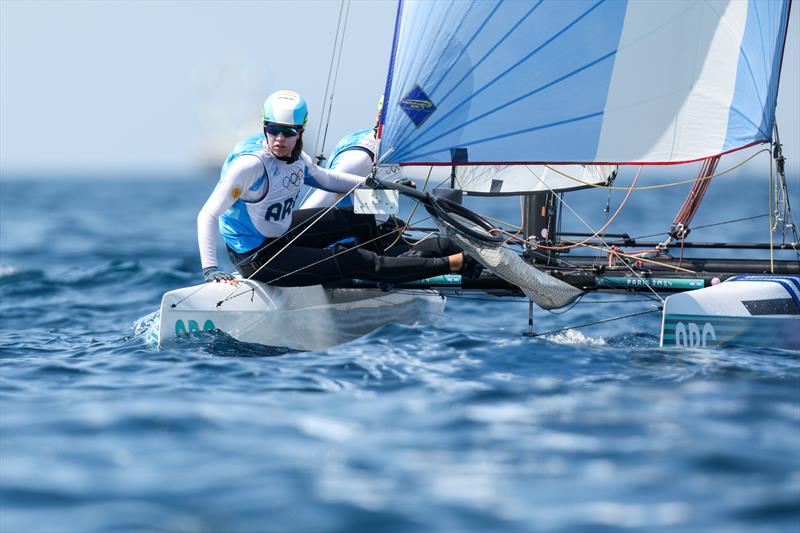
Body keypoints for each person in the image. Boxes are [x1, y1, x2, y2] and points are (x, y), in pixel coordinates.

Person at [197, 89, 466, 287]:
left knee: (364, 220)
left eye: (288, 132)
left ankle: (395, 264)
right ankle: (453, 263)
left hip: (281, 233)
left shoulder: (298, 158)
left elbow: (326, 179)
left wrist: (378, 189)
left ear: (301, 131)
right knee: (356, 260)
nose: (279, 139)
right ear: (264, 126)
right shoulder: (250, 165)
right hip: (257, 256)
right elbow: (207, 215)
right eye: (273, 130)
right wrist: (210, 269)